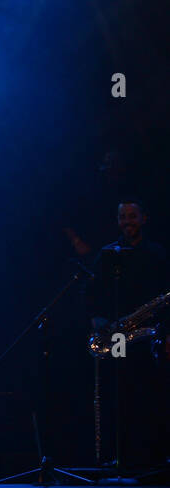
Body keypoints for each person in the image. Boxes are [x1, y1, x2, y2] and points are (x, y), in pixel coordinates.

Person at [85, 200, 169, 470]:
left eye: (132, 216)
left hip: (148, 336)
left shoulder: (157, 254)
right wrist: (97, 318)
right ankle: (118, 457)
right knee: (119, 397)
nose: (127, 222)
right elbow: (91, 292)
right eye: (122, 217)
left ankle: (151, 459)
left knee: (149, 397)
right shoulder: (107, 254)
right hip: (117, 334)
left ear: (144, 218)